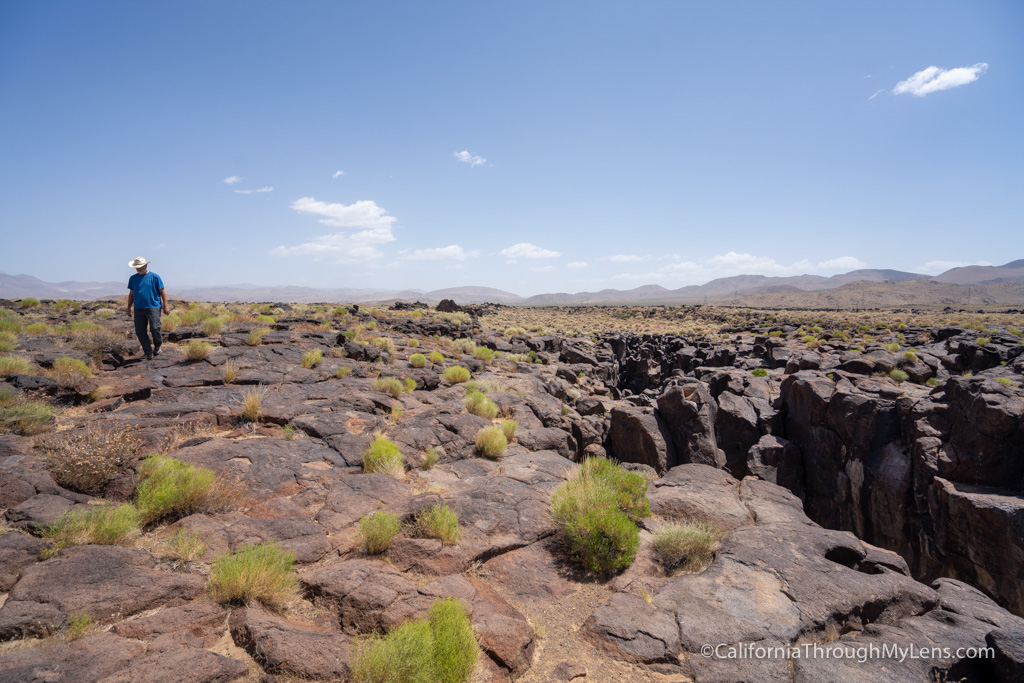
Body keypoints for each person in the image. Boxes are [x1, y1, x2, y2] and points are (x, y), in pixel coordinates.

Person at [126, 256, 169, 360]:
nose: (138, 269)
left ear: (146, 265)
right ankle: (148, 351)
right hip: (138, 308)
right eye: (137, 267)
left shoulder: (154, 277)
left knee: (155, 328)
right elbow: (131, 294)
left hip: (153, 307)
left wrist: (165, 306)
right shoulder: (133, 278)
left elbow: (162, 292)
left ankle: (158, 346)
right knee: (140, 331)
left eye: (140, 266)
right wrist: (128, 308)